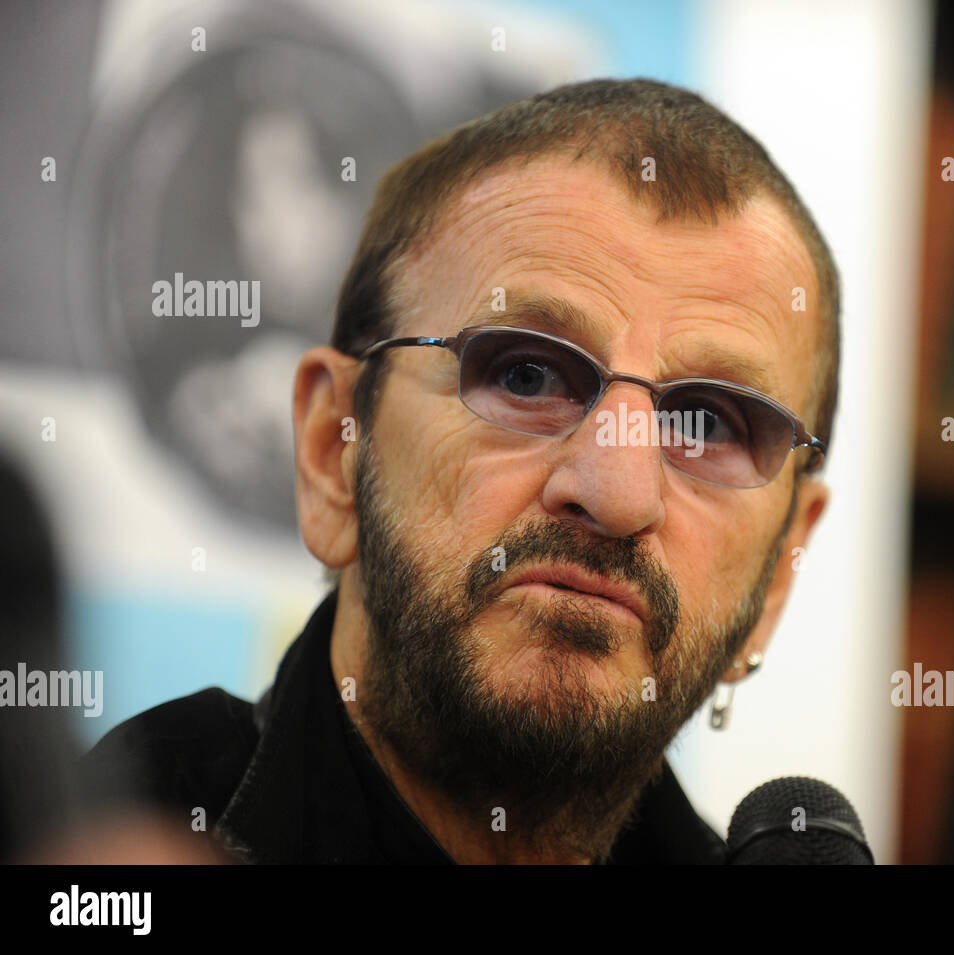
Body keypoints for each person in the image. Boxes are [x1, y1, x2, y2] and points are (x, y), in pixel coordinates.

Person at [82, 77, 841, 864]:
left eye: (707, 423)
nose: (617, 493)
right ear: (331, 451)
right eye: (527, 376)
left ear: (783, 567)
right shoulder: (105, 845)